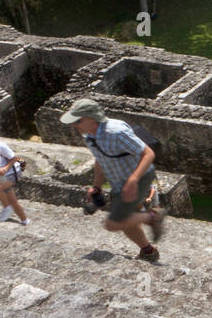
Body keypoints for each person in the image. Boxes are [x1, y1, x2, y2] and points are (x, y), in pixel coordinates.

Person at [60, 97, 164, 262]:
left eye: (78, 121)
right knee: (127, 222)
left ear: (92, 118)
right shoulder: (90, 137)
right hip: (120, 183)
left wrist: (133, 179)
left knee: (112, 223)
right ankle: (149, 251)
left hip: (138, 178)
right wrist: (97, 187)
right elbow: (100, 160)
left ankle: (153, 217)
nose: (74, 125)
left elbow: (148, 153)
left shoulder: (115, 132)